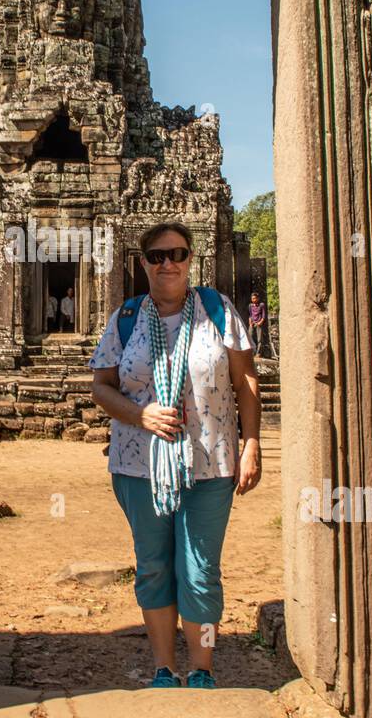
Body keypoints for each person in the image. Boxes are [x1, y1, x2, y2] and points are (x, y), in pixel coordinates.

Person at [90, 222, 262, 690]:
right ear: (142, 263)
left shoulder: (218, 311)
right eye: (158, 256)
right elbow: (101, 386)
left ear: (191, 261)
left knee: (201, 569)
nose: (169, 263)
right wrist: (141, 415)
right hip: (138, 464)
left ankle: (202, 667)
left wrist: (252, 444)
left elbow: (246, 382)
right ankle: (164, 667)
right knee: (153, 565)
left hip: (211, 460)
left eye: (179, 254)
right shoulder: (125, 318)